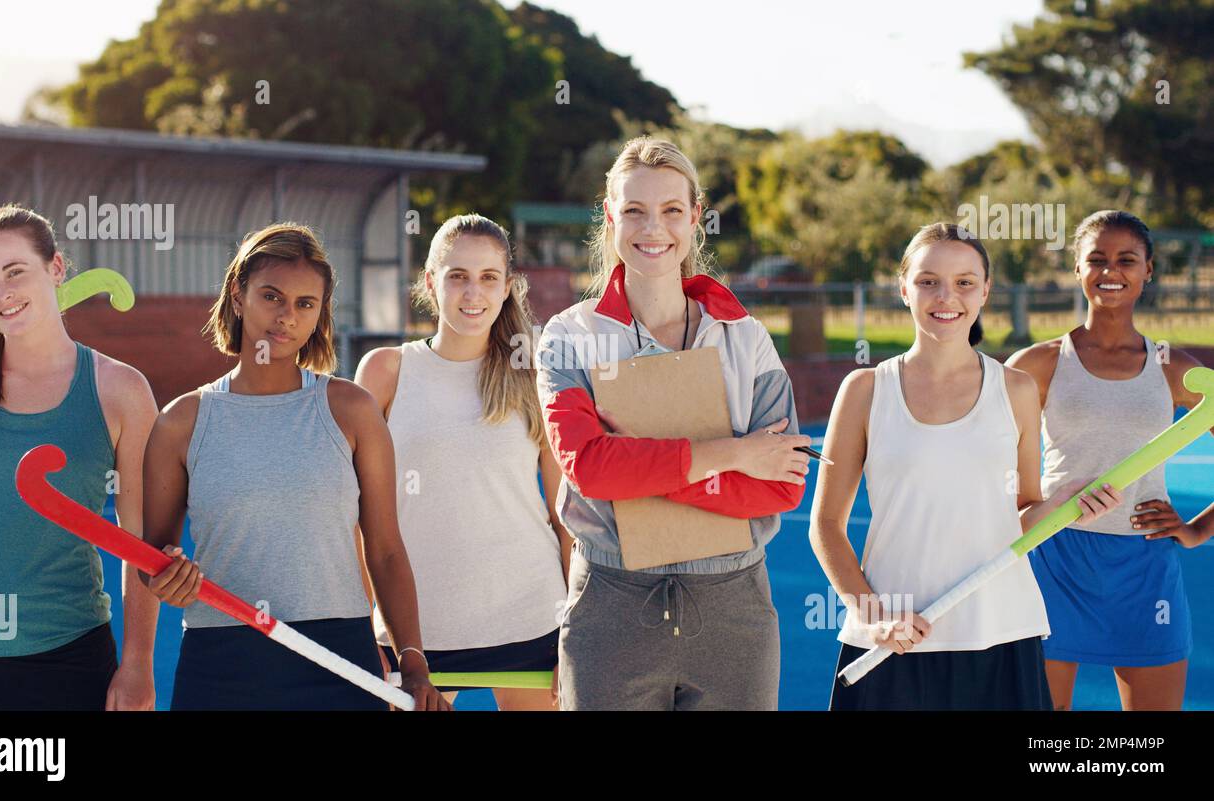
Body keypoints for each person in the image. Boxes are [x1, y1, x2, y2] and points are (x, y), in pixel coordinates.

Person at [535, 137, 810, 711]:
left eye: (670, 211)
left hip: (734, 608)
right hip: (612, 603)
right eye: (633, 210)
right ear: (610, 218)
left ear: (694, 219)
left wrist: (638, 469)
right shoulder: (569, 336)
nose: (651, 228)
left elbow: (781, 485)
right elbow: (590, 470)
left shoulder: (746, 337)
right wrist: (734, 454)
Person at [810, 222, 1122, 710]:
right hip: (893, 638)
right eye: (928, 280)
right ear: (904, 288)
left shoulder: (1016, 390)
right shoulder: (865, 390)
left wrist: (1066, 507)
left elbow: (1021, 518)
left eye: (964, 282)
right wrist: (872, 615)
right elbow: (826, 525)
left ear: (985, 292)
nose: (945, 296)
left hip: (1000, 631)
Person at [139, 222, 447, 710]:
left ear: (320, 314)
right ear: (238, 297)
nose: (286, 317)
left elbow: (385, 550)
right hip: (220, 661)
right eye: (271, 297)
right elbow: (153, 554)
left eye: (306, 304)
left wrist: (412, 661)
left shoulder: (352, 411)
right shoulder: (181, 421)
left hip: (338, 659)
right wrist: (163, 576)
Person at [0, 205, 159, 711]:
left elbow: (144, 542)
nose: (1, 294)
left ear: (56, 268)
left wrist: (137, 664)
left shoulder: (120, 390)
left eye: (14, 272)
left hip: (66, 658)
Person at [355, 214, 569, 711]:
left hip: (532, 619)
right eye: (458, 276)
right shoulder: (387, 370)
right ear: (431, 282)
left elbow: (565, 517)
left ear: (508, 286)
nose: (473, 293)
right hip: (414, 636)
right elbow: (356, 517)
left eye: (488, 278)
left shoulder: (534, 371)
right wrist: (362, 627)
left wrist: (576, 627)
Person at [1008, 210, 1214, 711]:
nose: (1110, 271)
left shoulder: (1175, 367)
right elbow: (992, 464)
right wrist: (1021, 515)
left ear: (1149, 270)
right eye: (1096, 259)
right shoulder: (1038, 363)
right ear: (1077, 269)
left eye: (1126, 259)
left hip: (1145, 566)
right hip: (1054, 559)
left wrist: (1196, 529)